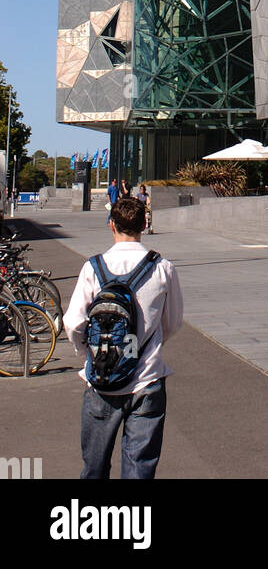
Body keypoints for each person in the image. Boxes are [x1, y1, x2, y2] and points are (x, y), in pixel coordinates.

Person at [64, 195, 183, 479]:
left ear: (111, 225)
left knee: (94, 468)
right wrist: (147, 346)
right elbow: (173, 322)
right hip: (147, 379)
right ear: (144, 225)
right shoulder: (162, 267)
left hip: (101, 381)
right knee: (140, 469)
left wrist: (90, 354)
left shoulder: (93, 267)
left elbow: (73, 323)